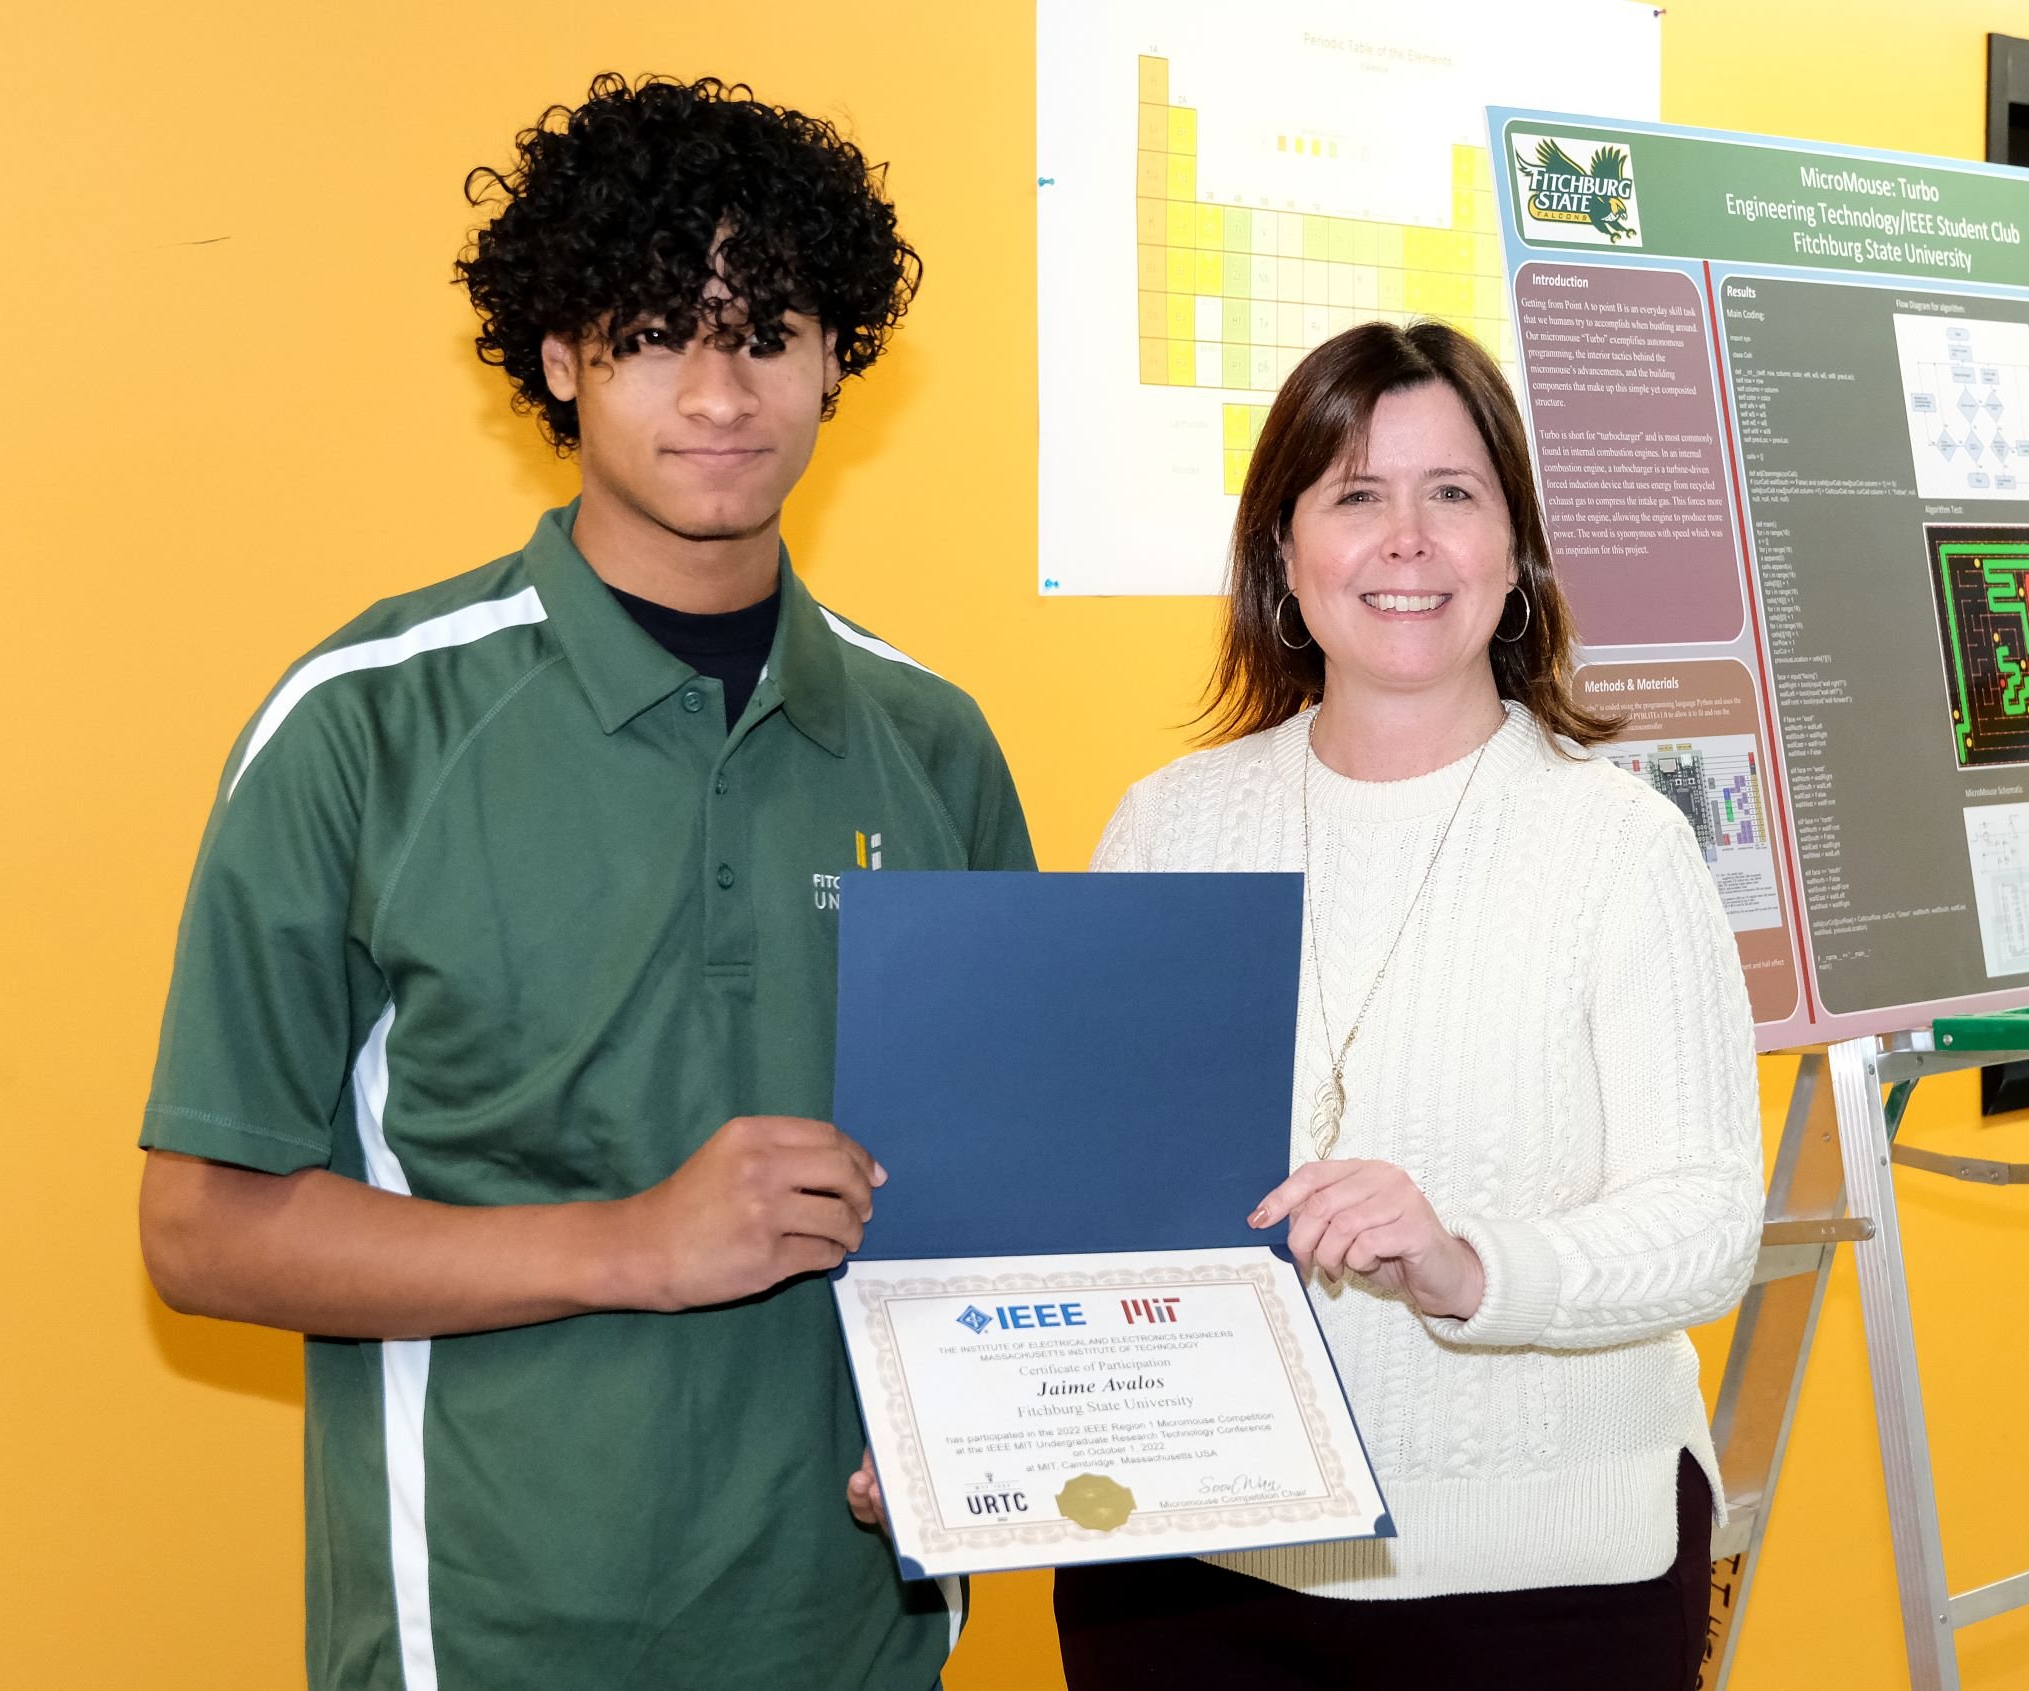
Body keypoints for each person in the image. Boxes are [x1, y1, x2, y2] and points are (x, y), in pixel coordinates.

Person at [136, 75, 1032, 1691]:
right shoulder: (366, 724)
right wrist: (631, 1244)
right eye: (655, 333)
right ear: (559, 357)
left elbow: (1002, 1194)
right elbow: (201, 1233)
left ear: (836, 359)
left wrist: (979, 1424)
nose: (720, 392)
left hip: (859, 1638)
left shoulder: (932, 741)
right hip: (489, 1633)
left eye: (768, 332)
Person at [1059, 320, 1763, 1687]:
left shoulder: (1620, 846)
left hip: (1540, 1586)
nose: (1408, 542)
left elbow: (1705, 1223)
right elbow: (1087, 1200)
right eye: (1355, 496)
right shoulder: (1169, 828)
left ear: (1516, 549)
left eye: (1453, 493)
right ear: (1283, 552)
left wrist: (1465, 1266)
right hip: (1189, 1564)